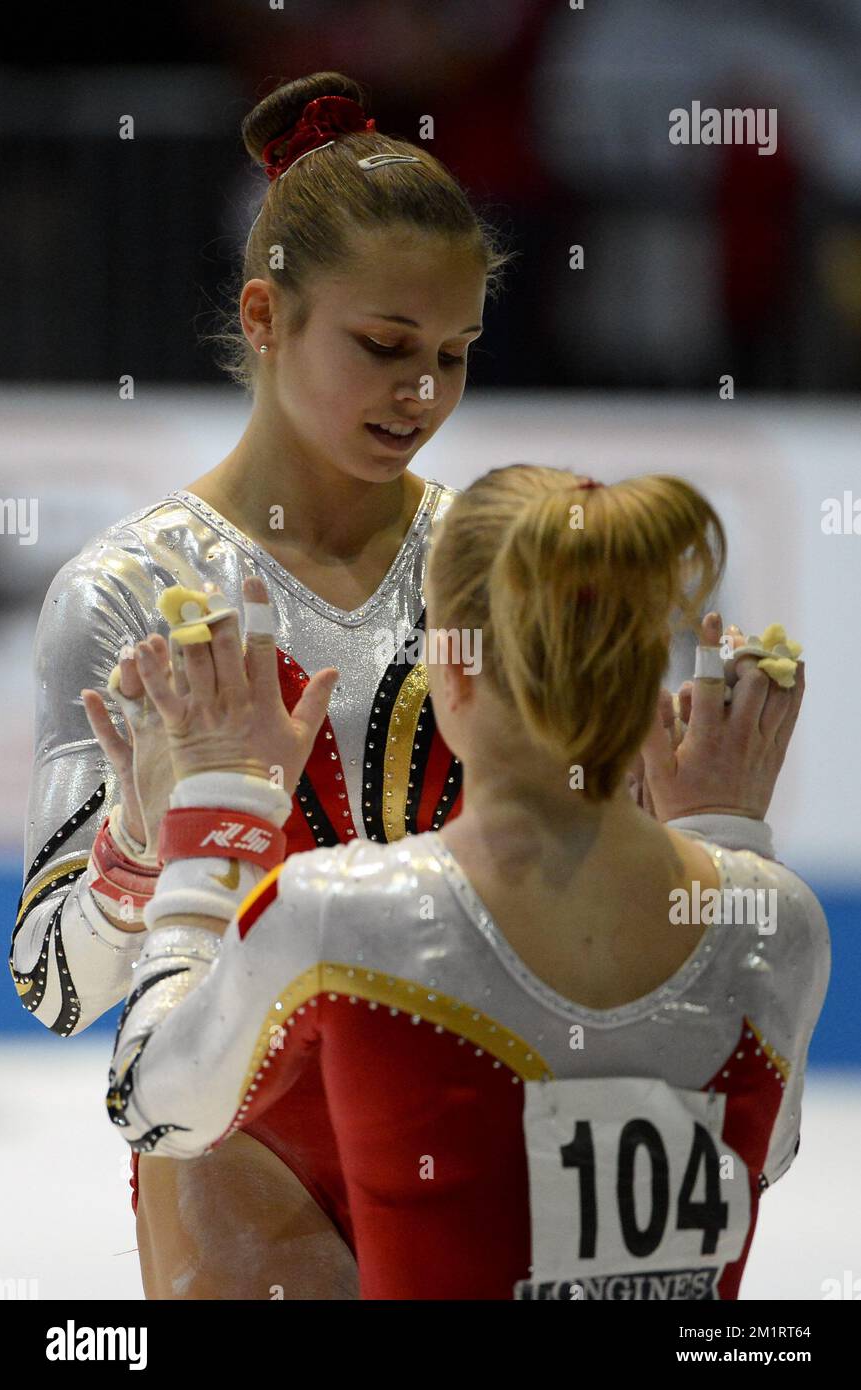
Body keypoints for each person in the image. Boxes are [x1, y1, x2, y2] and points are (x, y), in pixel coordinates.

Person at [10, 69, 511, 1299]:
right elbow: (55, 987)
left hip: (488, 1099)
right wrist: (143, 836)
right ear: (266, 315)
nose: (422, 394)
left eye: (453, 355)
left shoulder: (493, 570)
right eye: (385, 346)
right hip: (237, 1126)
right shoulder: (130, 593)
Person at [100, 467, 829, 1300]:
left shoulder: (346, 913)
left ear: (455, 673)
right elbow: (756, 1154)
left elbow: (155, 1102)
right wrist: (721, 834)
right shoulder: (777, 920)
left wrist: (213, 809)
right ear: (640, 682)